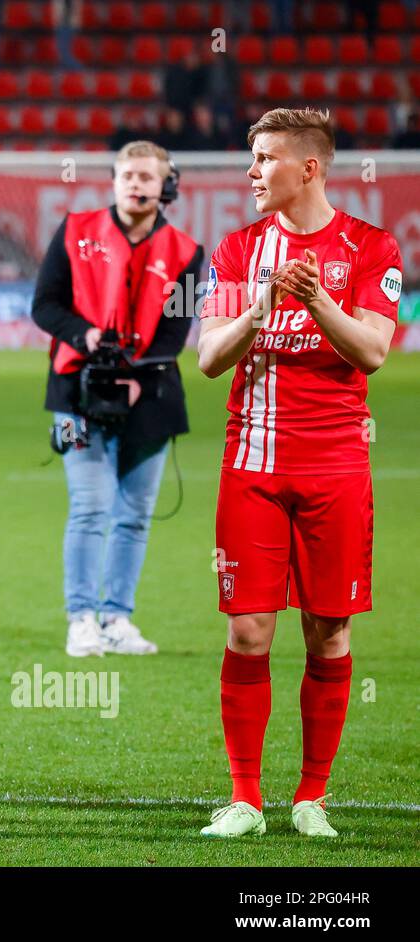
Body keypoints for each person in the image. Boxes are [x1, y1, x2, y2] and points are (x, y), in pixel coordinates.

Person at [197, 108, 401, 838]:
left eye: (265, 158)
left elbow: (372, 352)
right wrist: (261, 308)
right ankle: (245, 800)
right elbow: (209, 357)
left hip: (336, 468)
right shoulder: (238, 249)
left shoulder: (371, 247)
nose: (251, 171)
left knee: (327, 632)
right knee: (248, 632)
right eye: (252, 157)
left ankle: (311, 797)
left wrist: (316, 300)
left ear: (309, 167)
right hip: (252, 465)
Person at [32, 141, 203, 657]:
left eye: (146, 177)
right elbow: (44, 306)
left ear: (166, 185)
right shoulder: (75, 230)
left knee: (134, 514)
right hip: (73, 393)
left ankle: (117, 618)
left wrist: (139, 377)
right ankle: (81, 619)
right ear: (114, 181)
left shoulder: (186, 251)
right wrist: (83, 334)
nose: (135, 184)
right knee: (90, 506)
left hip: (151, 398)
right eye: (127, 175)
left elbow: (176, 330)